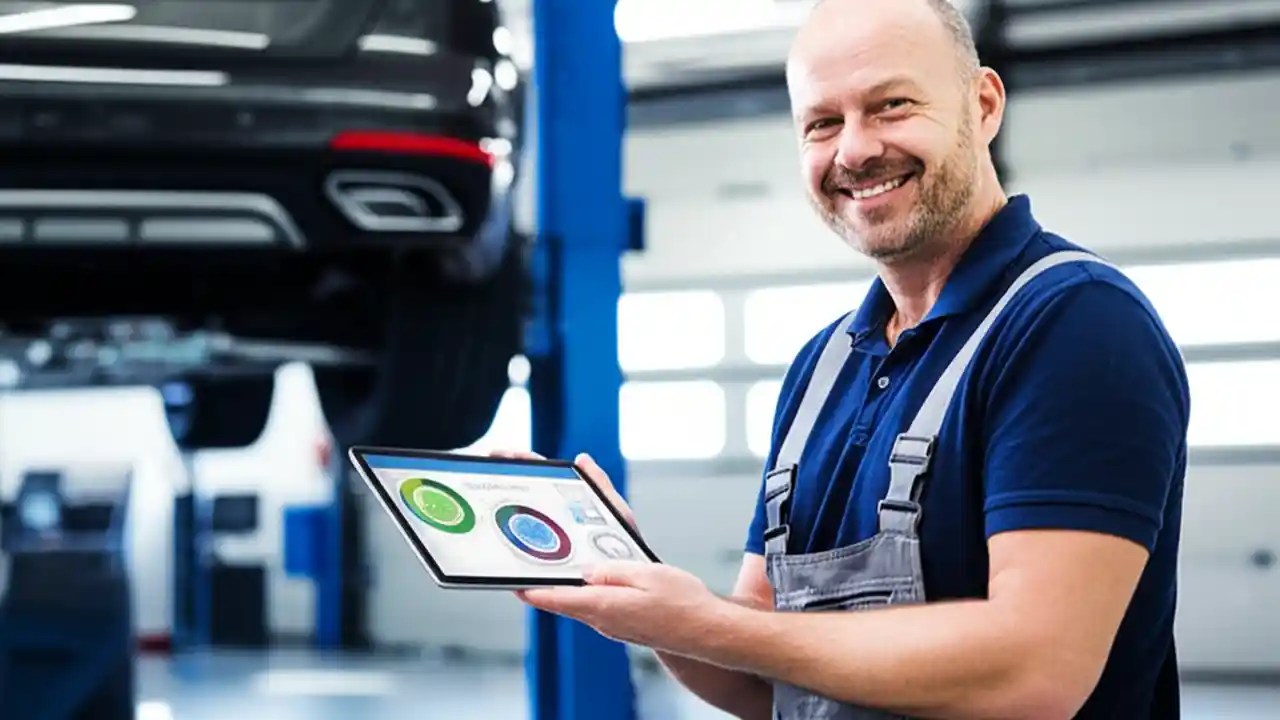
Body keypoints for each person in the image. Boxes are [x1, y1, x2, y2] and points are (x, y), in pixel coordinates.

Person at [506, 0, 1190, 717]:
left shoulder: (1075, 323)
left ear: (984, 105)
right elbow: (759, 678)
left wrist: (705, 622)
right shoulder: (823, 366)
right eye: (822, 123)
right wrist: (632, 579)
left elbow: (1031, 671)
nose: (855, 151)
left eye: (891, 106)